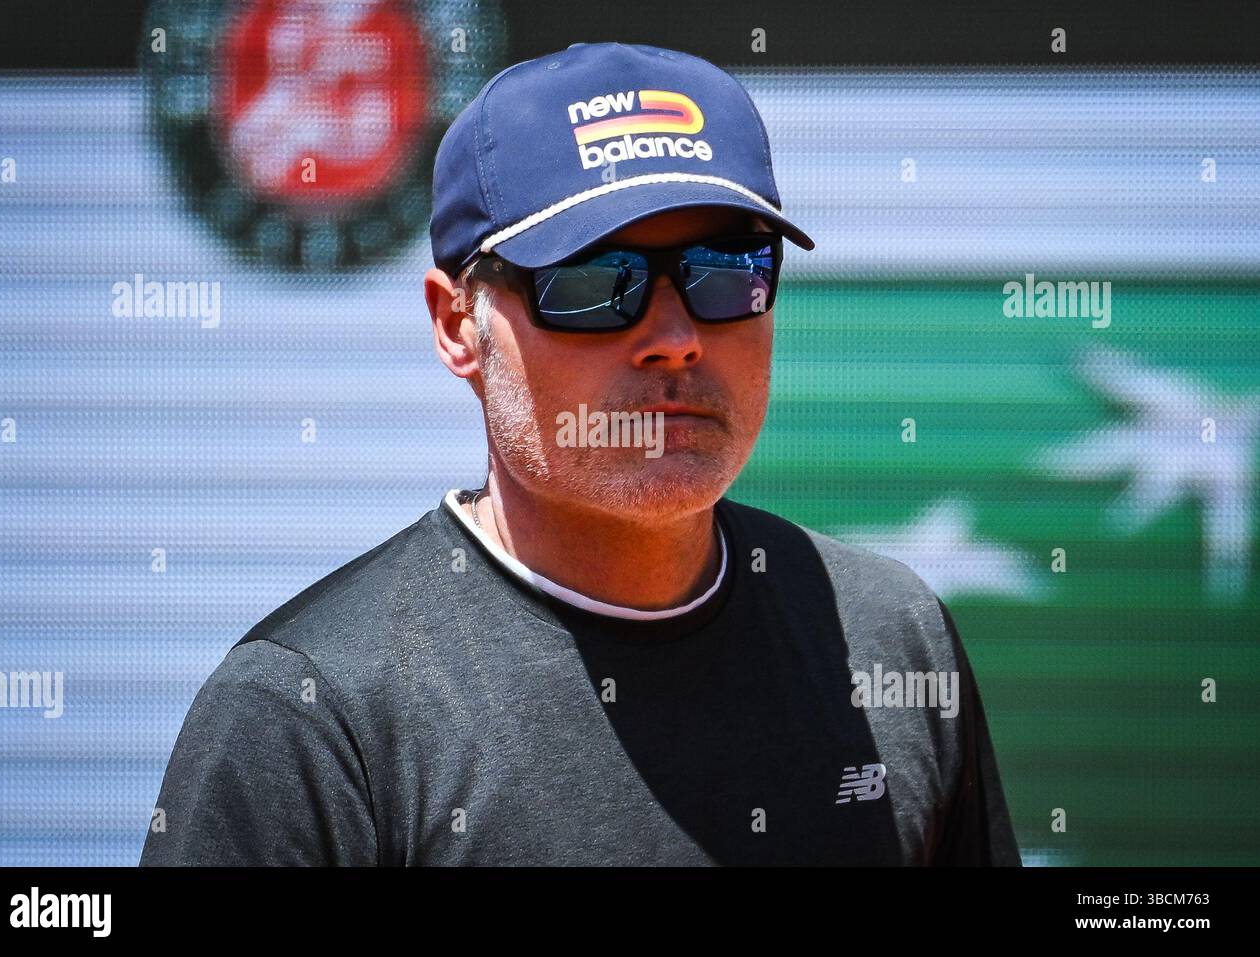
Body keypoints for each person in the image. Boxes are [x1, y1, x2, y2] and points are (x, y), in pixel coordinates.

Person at [141, 41, 1020, 866]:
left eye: (726, 268)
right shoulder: (307, 717)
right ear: (458, 325)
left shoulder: (893, 641)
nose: (675, 338)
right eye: (597, 282)